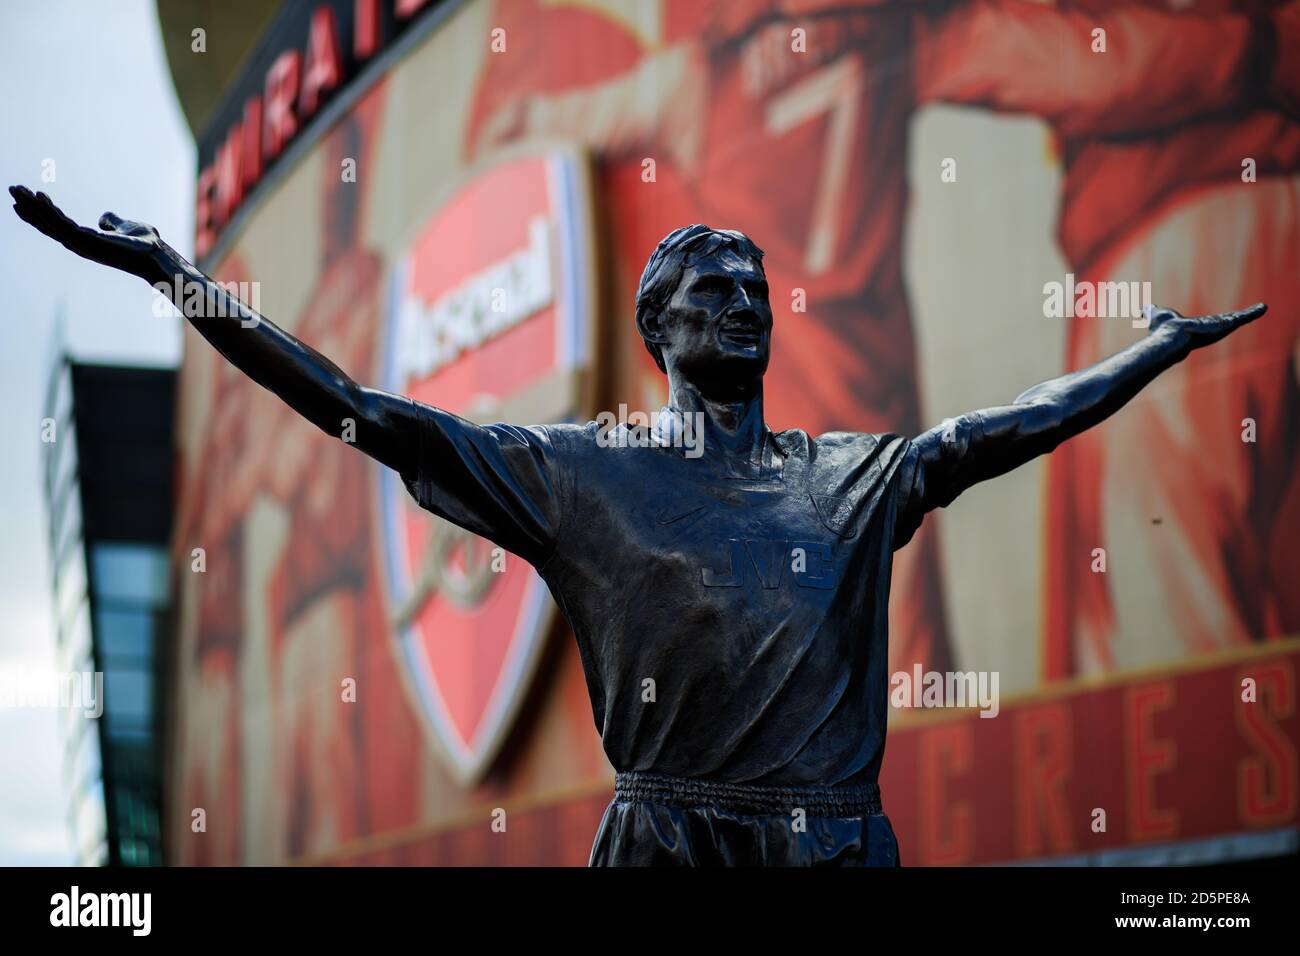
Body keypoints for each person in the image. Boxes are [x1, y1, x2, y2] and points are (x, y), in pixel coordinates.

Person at [10, 192, 1265, 865]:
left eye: (756, 293)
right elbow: (363, 410)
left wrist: (1149, 351)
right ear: (656, 328)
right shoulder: (583, 473)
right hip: (669, 838)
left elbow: (1009, 427)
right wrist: (181, 279)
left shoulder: (851, 476)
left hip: (834, 842)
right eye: (710, 293)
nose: (742, 307)